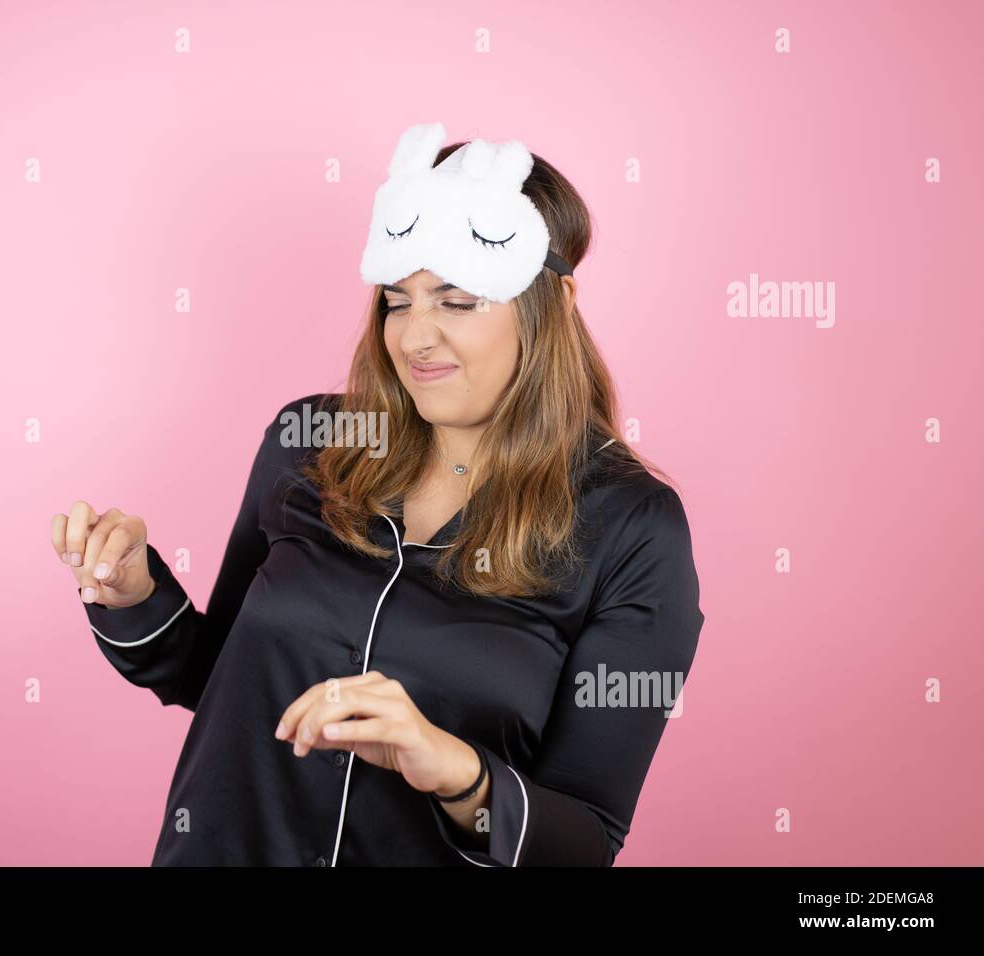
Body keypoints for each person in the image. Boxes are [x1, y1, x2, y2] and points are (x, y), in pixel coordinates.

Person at [51, 122, 705, 866]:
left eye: (457, 302)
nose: (416, 338)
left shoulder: (633, 526)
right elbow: (219, 681)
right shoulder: (310, 442)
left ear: (552, 304)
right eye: (398, 301)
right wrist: (132, 594)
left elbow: (583, 842)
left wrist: (454, 771)